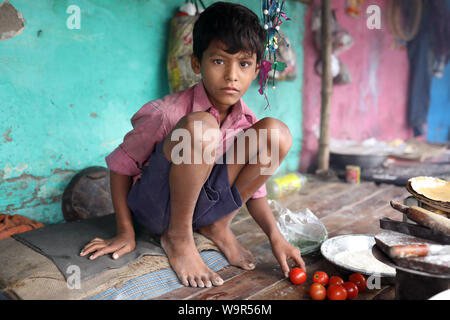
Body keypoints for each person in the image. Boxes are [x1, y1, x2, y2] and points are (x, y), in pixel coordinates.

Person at [80, 2, 305, 288]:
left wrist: (276, 237)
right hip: (155, 208)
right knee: (201, 128)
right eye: (219, 61)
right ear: (197, 63)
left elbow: (254, 189)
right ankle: (178, 236)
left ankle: (218, 226)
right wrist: (125, 231)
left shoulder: (246, 120)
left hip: (204, 209)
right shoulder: (166, 113)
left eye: (244, 64)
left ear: (257, 69)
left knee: (276, 133)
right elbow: (121, 167)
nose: (232, 75)